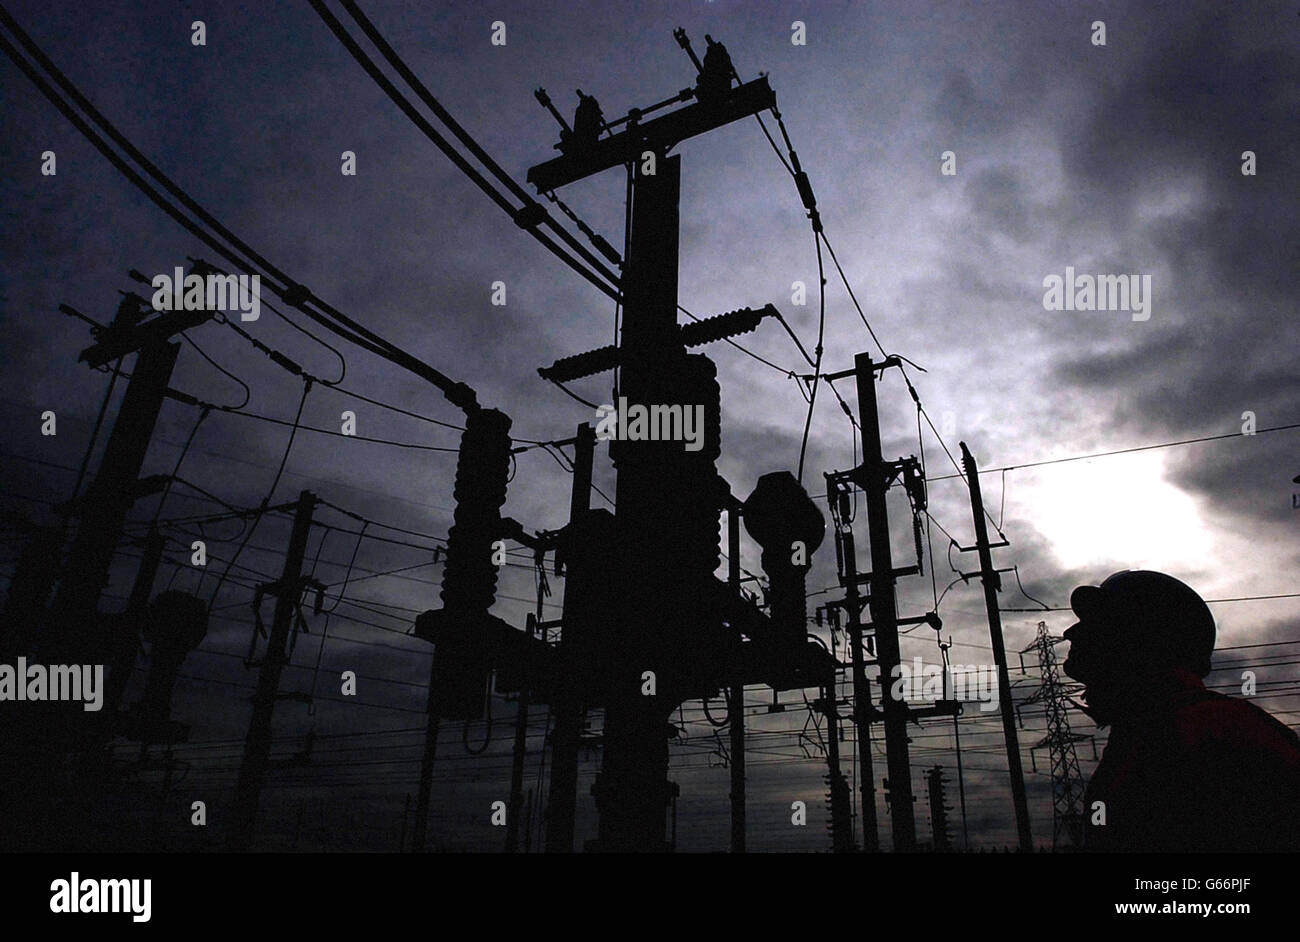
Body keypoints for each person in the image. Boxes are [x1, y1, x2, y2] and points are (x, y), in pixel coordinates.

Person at [1063, 570, 1300, 852]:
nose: (1070, 633)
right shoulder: (1146, 729)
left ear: (1142, 638)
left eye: (1098, 623)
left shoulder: (1208, 728)